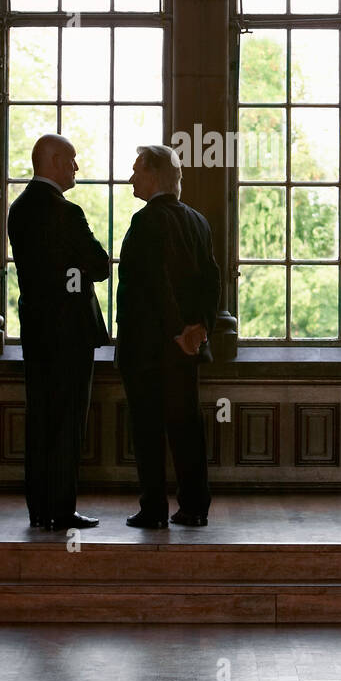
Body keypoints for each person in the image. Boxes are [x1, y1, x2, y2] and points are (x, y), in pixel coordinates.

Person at [7, 134, 110, 532]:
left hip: (36, 331)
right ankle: (62, 510)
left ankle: (39, 511)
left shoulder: (18, 210)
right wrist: (79, 271)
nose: (76, 168)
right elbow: (100, 265)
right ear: (52, 160)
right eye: (71, 161)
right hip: (71, 334)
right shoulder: (67, 213)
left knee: (40, 418)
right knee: (68, 423)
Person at [115, 144, 221, 529]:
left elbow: (153, 286)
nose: (131, 178)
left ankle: (154, 509)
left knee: (148, 429)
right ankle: (195, 507)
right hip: (186, 349)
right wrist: (198, 329)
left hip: (148, 349)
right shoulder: (198, 221)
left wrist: (177, 330)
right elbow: (212, 281)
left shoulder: (145, 223)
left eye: (136, 170)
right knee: (187, 427)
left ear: (155, 175)